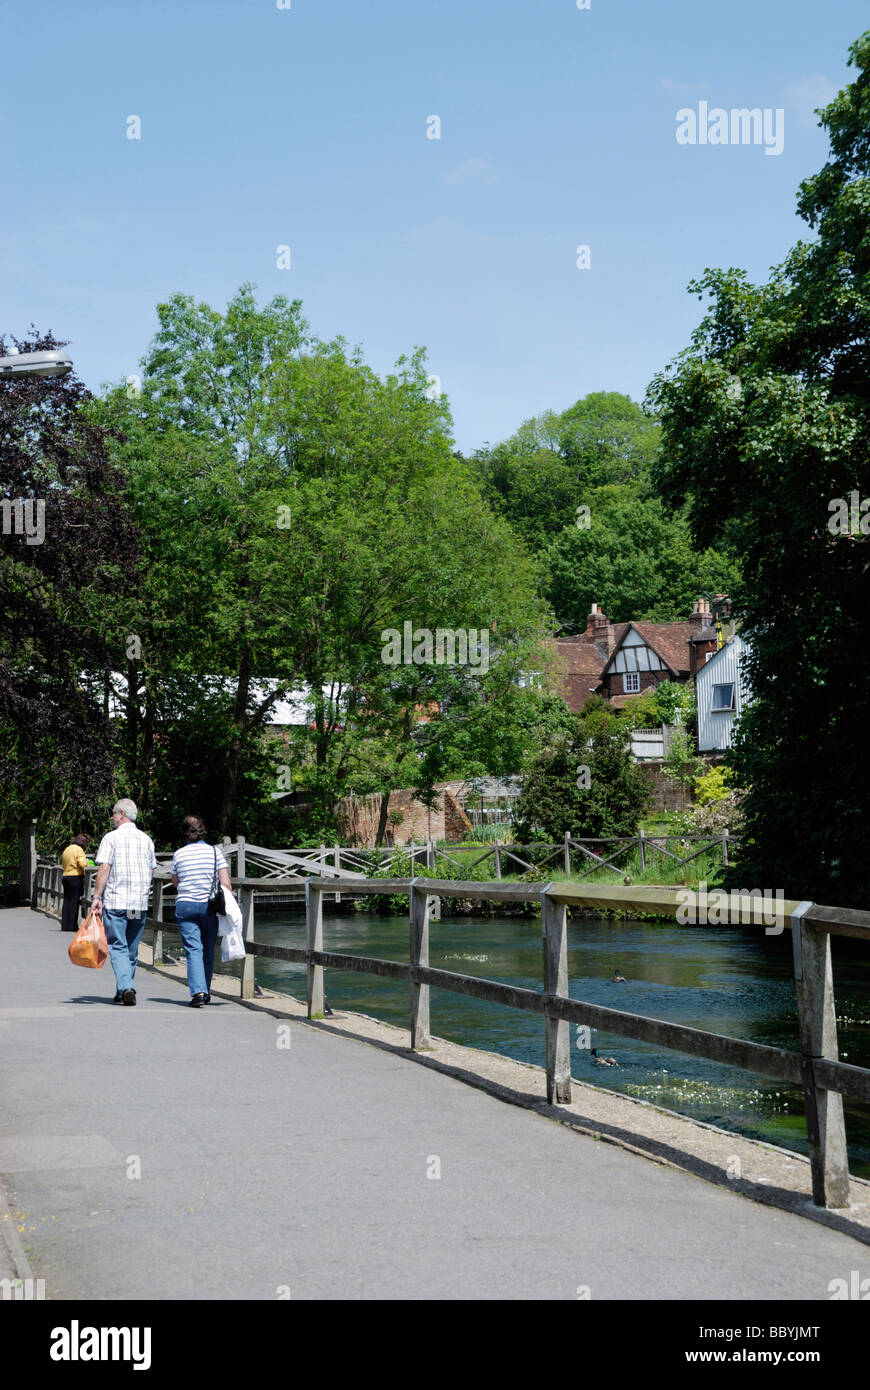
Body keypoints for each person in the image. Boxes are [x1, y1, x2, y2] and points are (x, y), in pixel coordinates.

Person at [91, 799, 157, 1006]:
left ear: (121, 814)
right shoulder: (146, 840)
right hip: (138, 904)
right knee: (131, 947)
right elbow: (152, 868)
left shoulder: (111, 838)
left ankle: (127, 986)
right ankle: (123, 988)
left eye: (113, 813)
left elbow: (104, 868)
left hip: (116, 901)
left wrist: (97, 897)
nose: (112, 817)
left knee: (117, 946)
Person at [172, 816, 233, 1008]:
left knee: (193, 950)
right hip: (208, 906)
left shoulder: (179, 854)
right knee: (207, 950)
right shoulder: (215, 853)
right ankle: (205, 991)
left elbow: (176, 881)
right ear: (203, 831)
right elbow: (226, 883)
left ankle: (198, 992)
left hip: (186, 905)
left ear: (185, 832)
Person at [60, 834, 90, 933]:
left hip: (66, 876)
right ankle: (72, 926)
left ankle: (65, 925)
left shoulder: (67, 849)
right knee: (74, 902)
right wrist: (88, 863)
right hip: (75, 876)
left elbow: (63, 863)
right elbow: (82, 864)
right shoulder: (79, 850)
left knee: (67, 901)